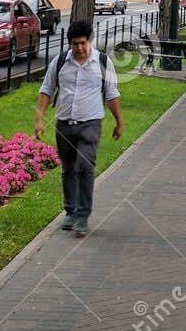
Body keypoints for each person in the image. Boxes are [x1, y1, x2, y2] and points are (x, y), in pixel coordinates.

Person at [34, 18, 123, 237]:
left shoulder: (102, 62)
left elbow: (111, 94)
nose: (80, 48)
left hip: (90, 124)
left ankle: (83, 215)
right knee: (68, 169)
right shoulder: (61, 61)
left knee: (85, 165)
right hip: (64, 124)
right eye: (75, 44)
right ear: (69, 44)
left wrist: (119, 122)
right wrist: (39, 119)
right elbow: (47, 90)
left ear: (89, 41)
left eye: (83, 43)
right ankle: (70, 211)